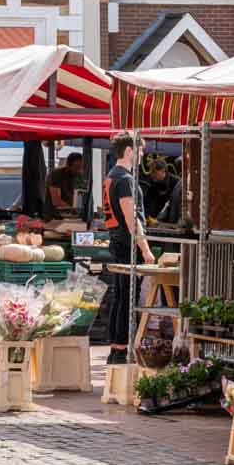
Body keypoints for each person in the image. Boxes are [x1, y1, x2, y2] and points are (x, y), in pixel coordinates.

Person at [103, 133, 155, 365]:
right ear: (128, 151)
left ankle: (116, 349)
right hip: (127, 244)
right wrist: (145, 248)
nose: (142, 155)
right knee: (127, 297)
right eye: (140, 150)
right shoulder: (124, 179)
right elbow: (131, 217)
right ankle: (121, 349)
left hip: (117, 241)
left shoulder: (111, 176)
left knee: (121, 295)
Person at [141, 156, 180, 224]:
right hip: (157, 221)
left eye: (154, 171)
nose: (151, 174)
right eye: (150, 171)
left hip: (172, 222)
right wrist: (147, 217)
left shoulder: (176, 183)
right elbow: (146, 202)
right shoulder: (152, 184)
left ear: (163, 170)